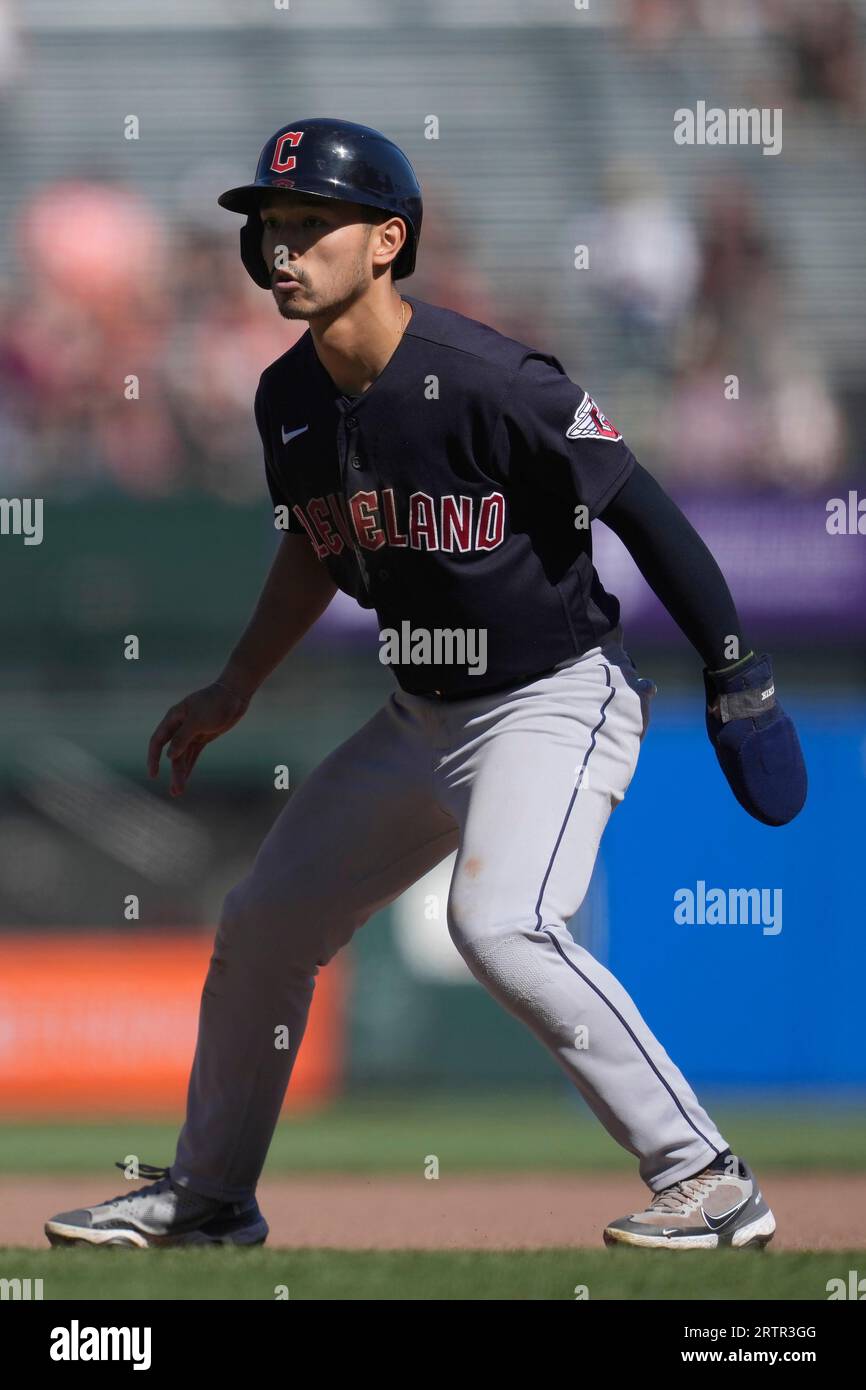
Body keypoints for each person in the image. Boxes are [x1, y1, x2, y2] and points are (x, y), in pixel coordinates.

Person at [45, 120, 805, 1253]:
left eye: (310, 223)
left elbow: (636, 503)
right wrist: (238, 682)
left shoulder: (493, 378)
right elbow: (314, 543)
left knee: (499, 922)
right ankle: (210, 1197)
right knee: (262, 925)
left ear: (387, 240)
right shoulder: (285, 399)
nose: (281, 245)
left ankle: (707, 1175)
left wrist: (734, 671)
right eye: (270, 227)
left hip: (553, 694)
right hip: (418, 715)